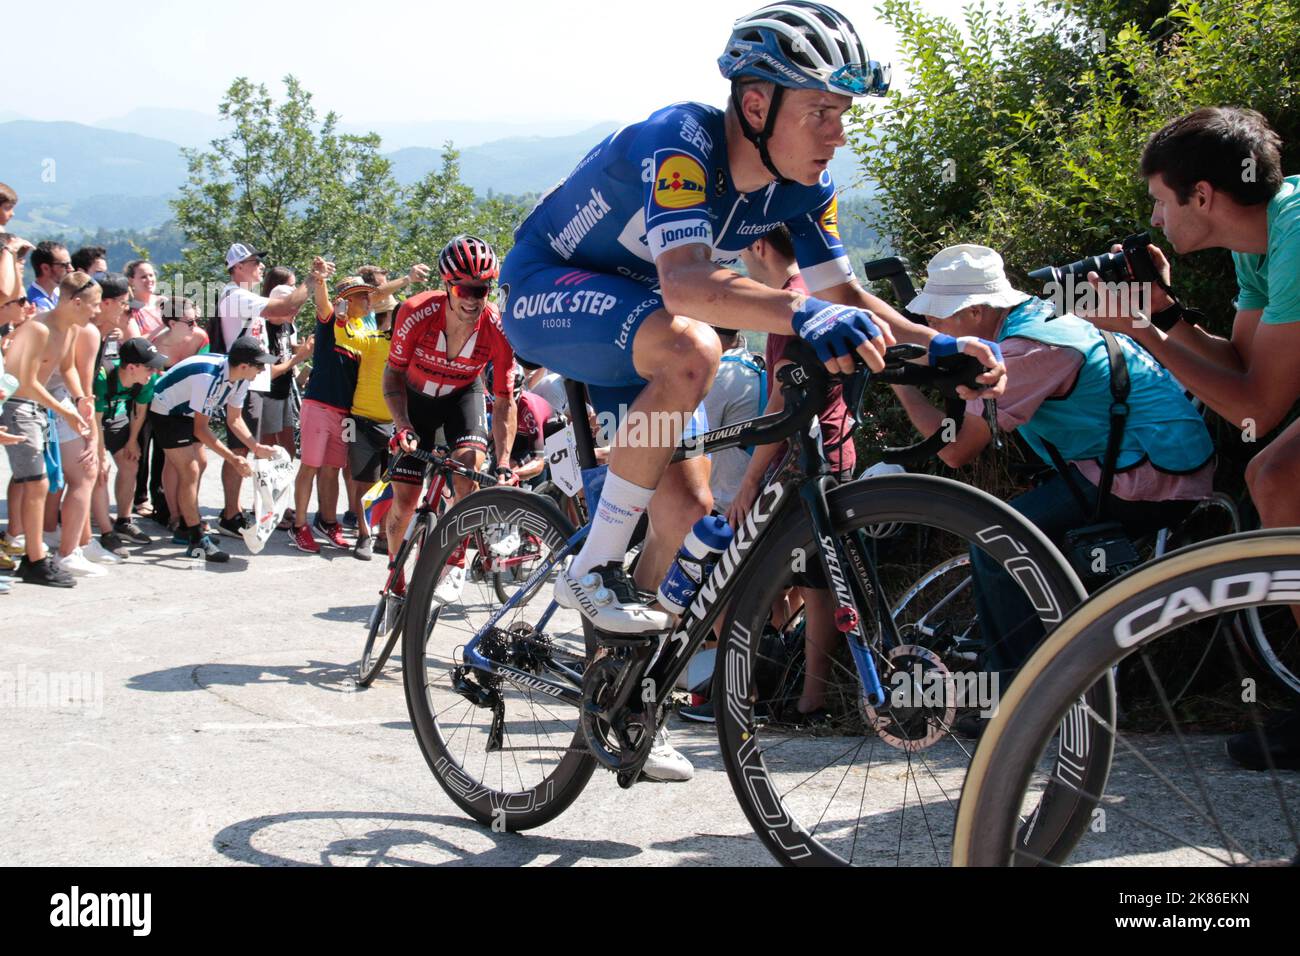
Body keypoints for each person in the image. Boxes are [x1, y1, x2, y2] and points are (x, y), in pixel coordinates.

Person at [498, 3, 1003, 636]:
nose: (837, 135)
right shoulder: (680, 141)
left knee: (686, 514)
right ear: (758, 106)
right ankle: (594, 565)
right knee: (694, 347)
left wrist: (941, 347)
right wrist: (802, 310)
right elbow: (684, 283)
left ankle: (613, 702)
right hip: (547, 289)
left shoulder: (806, 189)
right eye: (820, 112)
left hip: (644, 325)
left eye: (842, 115)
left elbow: (841, 293)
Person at [896, 244, 1215, 709]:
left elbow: (956, 450)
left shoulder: (1026, 351)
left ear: (979, 311)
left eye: (941, 316)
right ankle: (1060, 668)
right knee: (1034, 536)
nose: (932, 327)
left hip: (1150, 473)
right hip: (1150, 456)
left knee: (995, 540)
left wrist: (903, 382)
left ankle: (1015, 702)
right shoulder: (1042, 314)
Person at [1077, 106, 1300, 770]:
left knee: (1277, 473)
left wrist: (1144, 334)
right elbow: (1240, 371)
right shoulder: (1261, 239)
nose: (1155, 222)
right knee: (1275, 476)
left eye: (1160, 201)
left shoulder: (1295, 235)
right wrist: (1165, 312)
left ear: (1203, 195)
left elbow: (1257, 406)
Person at [385, 236, 518, 604]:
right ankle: (395, 574)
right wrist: (402, 425)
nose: (473, 298)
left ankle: (456, 559)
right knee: (405, 501)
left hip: (463, 396)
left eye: (482, 289)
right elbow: (391, 376)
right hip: (415, 402)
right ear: (448, 285)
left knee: (469, 467)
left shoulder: (497, 327)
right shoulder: (415, 312)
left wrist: (504, 461)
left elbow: (506, 400)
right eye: (465, 288)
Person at [0, 271, 99, 587]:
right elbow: (26, 382)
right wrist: (65, 411)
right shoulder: (40, 329)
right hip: (18, 406)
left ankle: (24, 547)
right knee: (37, 483)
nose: (96, 312)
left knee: (32, 480)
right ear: (76, 301)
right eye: (93, 305)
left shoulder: (69, 328)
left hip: (36, 406)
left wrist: (81, 397)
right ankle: (34, 560)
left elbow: (66, 367)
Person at [147, 336, 278, 562]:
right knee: (190, 471)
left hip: (187, 410)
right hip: (167, 411)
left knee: (202, 463)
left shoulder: (241, 377)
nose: (263, 370)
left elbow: (234, 419)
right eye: (260, 365)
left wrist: (256, 447)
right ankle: (195, 538)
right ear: (245, 366)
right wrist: (234, 459)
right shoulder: (209, 377)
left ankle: (186, 527)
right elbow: (201, 430)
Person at [215, 244, 311, 540]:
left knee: (248, 448)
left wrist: (280, 364)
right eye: (254, 262)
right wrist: (311, 280)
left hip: (252, 380)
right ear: (238, 267)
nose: (260, 267)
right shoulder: (235, 295)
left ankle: (240, 510)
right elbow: (282, 308)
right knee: (240, 449)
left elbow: (267, 338)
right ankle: (230, 514)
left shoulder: (246, 296)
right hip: (241, 382)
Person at [337, 266, 429, 560]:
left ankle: (380, 535)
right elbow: (344, 337)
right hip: (361, 421)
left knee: (391, 481)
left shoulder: (414, 352)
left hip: (395, 425)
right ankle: (364, 535)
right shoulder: (373, 340)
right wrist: (340, 318)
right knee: (363, 481)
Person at [289, 263, 361, 554]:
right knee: (310, 466)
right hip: (319, 404)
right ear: (346, 298)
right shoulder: (333, 319)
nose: (368, 300)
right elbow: (322, 303)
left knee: (332, 468)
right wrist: (321, 280)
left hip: (344, 412)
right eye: (362, 295)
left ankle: (329, 523)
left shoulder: (361, 331)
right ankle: (299, 526)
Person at [91, 337, 166, 554]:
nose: (154, 372)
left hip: (117, 418)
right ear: (132, 367)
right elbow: (94, 420)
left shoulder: (146, 380)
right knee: (99, 470)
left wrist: (132, 441)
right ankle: (100, 523)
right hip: (91, 420)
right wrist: (100, 453)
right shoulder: (103, 377)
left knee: (130, 463)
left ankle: (123, 521)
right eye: (150, 367)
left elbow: (139, 410)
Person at [700, 325, 766, 514]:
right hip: (749, 502)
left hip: (721, 505)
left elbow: (689, 446)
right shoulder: (750, 365)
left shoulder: (720, 376)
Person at [27, 242, 71, 313]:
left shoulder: (57, 292)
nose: (71, 269)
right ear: (45, 268)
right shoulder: (37, 304)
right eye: (64, 265)